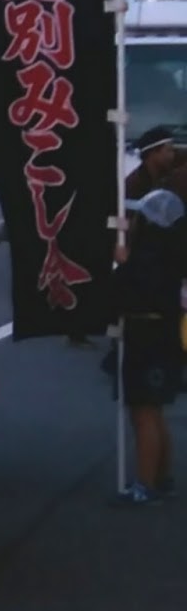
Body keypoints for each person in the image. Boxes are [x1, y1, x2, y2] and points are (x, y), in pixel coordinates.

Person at [110, 188, 187, 504]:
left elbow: (127, 292)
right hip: (163, 333)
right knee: (153, 410)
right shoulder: (171, 252)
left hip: (147, 334)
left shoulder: (148, 258)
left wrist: (122, 264)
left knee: (143, 410)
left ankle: (145, 484)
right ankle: (161, 475)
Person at [126, 128, 187, 205]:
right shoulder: (134, 186)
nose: (172, 155)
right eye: (169, 150)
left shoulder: (173, 167)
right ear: (153, 153)